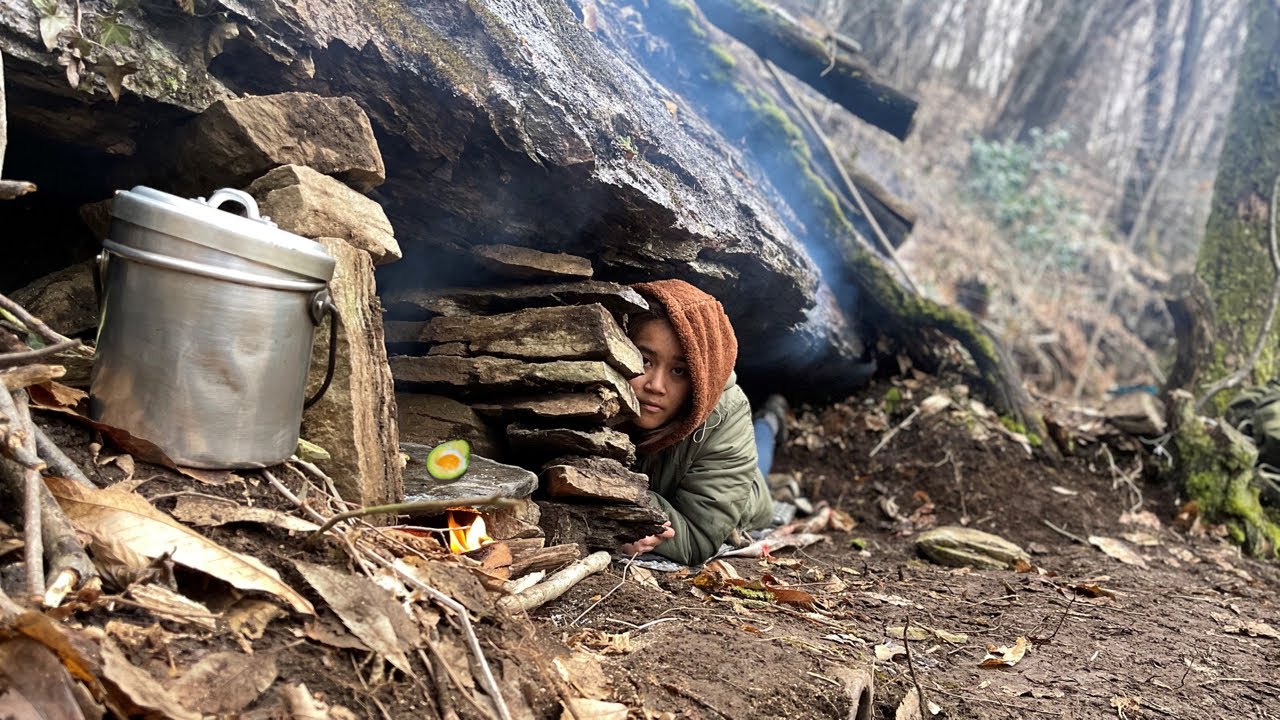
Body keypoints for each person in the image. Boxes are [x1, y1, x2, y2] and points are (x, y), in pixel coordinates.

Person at [618, 279, 785, 565]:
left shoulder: (725, 418)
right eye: (645, 360)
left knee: (761, 462)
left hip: (743, 491)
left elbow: (699, 537)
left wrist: (641, 518)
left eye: (679, 370)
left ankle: (771, 421)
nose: (656, 385)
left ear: (699, 378)